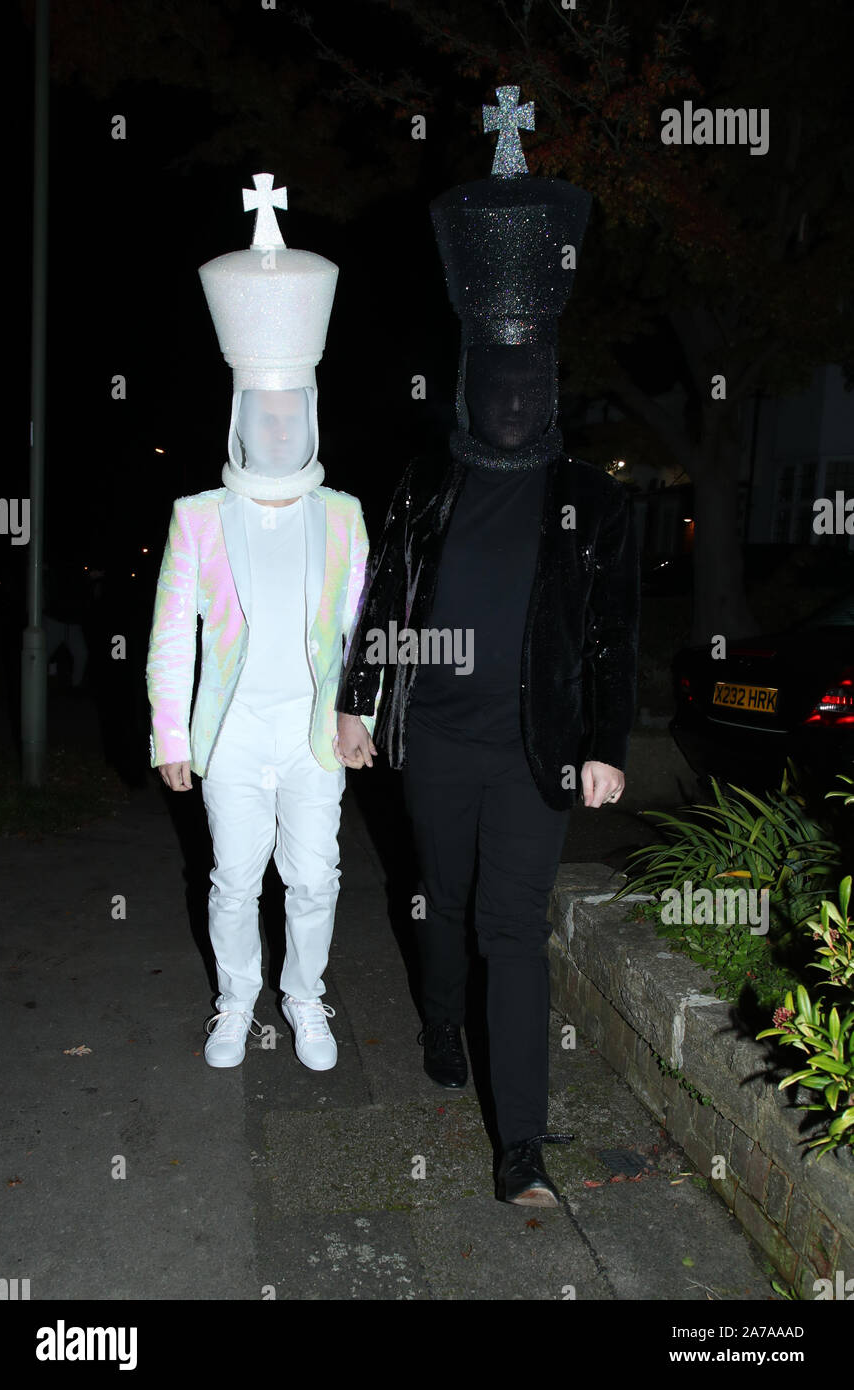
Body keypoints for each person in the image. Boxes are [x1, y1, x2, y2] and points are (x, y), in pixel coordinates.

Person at [335, 90, 640, 1206]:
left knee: (515, 932)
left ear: (547, 379)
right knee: (442, 901)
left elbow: (614, 632)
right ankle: (432, 1017)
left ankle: (520, 1153)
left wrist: (605, 740)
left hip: (532, 748)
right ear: (469, 379)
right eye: (492, 380)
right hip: (439, 741)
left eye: (529, 380)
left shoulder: (592, 502)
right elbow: (384, 602)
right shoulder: (427, 482)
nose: (510, 398)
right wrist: (358, 700)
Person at [146, 175, 381, 1072]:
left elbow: (365, 627)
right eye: (264, 411)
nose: (279, 426)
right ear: (244, 415)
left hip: (314, 729)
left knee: (315, 877)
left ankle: (306, 999)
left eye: (292, 412)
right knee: (235, 878)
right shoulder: (197, 515)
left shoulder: (345, 514)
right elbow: (172, 633)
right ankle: (238, 1002)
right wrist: (172, 731)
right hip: (234, 732)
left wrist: (363, 709)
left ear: (308, 413)